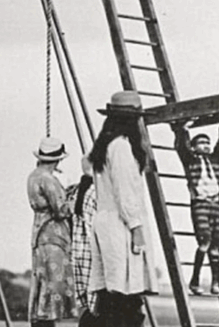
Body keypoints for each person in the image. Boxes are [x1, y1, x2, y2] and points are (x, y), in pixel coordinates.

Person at [87, 91, 157, 327]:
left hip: (106, 221)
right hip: (120, 222)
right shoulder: (121, 147)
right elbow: (125, 192)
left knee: (112, 288)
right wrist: (136, 227)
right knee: (124, 290)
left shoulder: (104, 147)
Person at [173, 118, 219, 296]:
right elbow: (181, 147)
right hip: (200, 203)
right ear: (193, 146)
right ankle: (195, 281)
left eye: (207, 142)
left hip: (214, 204)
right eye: (201, 143)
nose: (206, 145)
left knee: (215, 245)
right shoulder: (190, 160)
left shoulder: (214, 160)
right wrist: (183, 130)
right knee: (204, 241)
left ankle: (215, 283)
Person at [27, 137, 75, 327]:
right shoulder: (48, 179)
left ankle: (41, 321)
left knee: (43, 282)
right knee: (54, 285)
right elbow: (61, 211)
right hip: (53, 235)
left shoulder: (33, 176)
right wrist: (73, 200)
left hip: (40, 234)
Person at [66, 155, 98, 327]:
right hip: (93, 250)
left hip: (80, 250)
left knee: (91, 304)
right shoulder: (96, 192)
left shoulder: (78, 191)